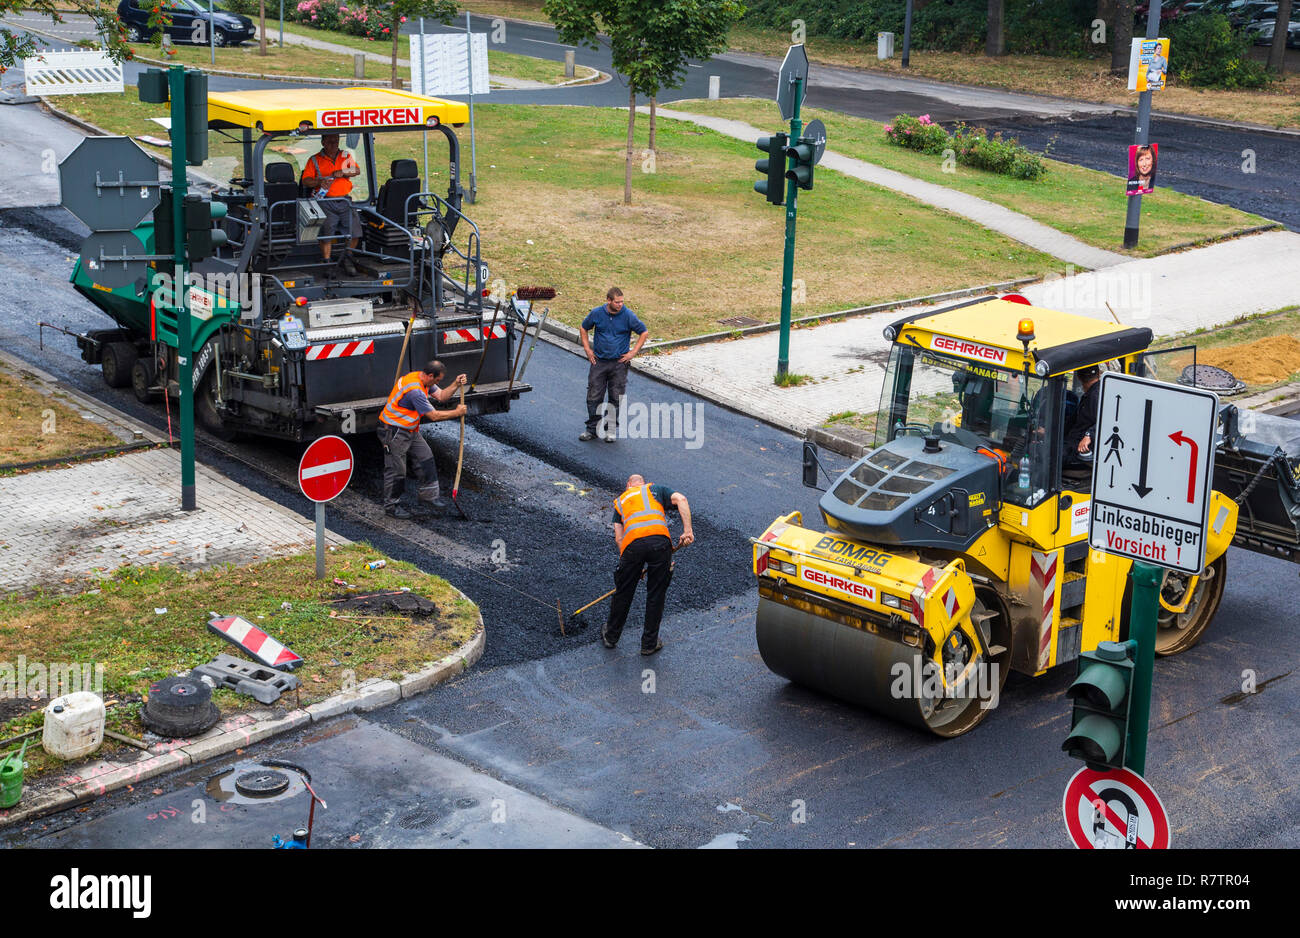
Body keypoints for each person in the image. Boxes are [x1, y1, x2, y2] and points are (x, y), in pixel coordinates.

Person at [603, 475, 694, 656]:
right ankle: (649, 644)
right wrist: (687, 530)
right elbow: (681, 499)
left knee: (624, 591)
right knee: (656, 593)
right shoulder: (656, 490)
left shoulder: (620, 501)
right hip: (660, 542)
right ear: (642, 483)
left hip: (632, 547)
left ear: (628, 485)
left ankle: (611, 636)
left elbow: (619, 537)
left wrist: (631, 568)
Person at [377, 361, 467, 519]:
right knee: (397, 471)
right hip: (394, 432)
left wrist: (455, 383)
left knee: (426, 458)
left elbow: (441, 396)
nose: (438, 383)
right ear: (431, 376)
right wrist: (457, 412)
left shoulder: (423, 379)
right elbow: (433, 415)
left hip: (410, 430)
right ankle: (391, 507)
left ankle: (429, 496)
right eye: (438, 380)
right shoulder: (415, 390)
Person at [579, 288, 648, 442]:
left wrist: (632, 353)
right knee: (594, 396)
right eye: (617, 302)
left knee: (615, 398)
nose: (620, 305)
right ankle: (592, 430)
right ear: (608, 300)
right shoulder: (597, 313)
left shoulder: (628, 315)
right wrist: (587, 349)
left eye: (622, 301)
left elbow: (643, 332)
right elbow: (584, 327)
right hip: (599, 362)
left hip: (619, 364)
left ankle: (610, 430)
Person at [302, 133, 363, 277]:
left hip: (345, 201)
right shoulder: (314, 160)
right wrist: (319, 182)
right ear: (323, 142)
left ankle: (347, 258)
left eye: (336, 141)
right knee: (326, 234)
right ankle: (328, 263)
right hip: (325, 202)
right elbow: (306, 180)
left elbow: (357, 170)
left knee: (355, 232)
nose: (333, 144)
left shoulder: (345, 155)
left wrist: (343, 172)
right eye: (330, 142)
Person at [1064, 365, 1102, 468]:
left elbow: (1106, 420)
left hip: (1078, 449)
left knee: (1042, 454)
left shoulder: (1096, 396)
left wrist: (1089, 435)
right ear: (1099, 374)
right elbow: (1072, 421)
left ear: (1079, 377)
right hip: (1072, 441)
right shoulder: (1092, 394)